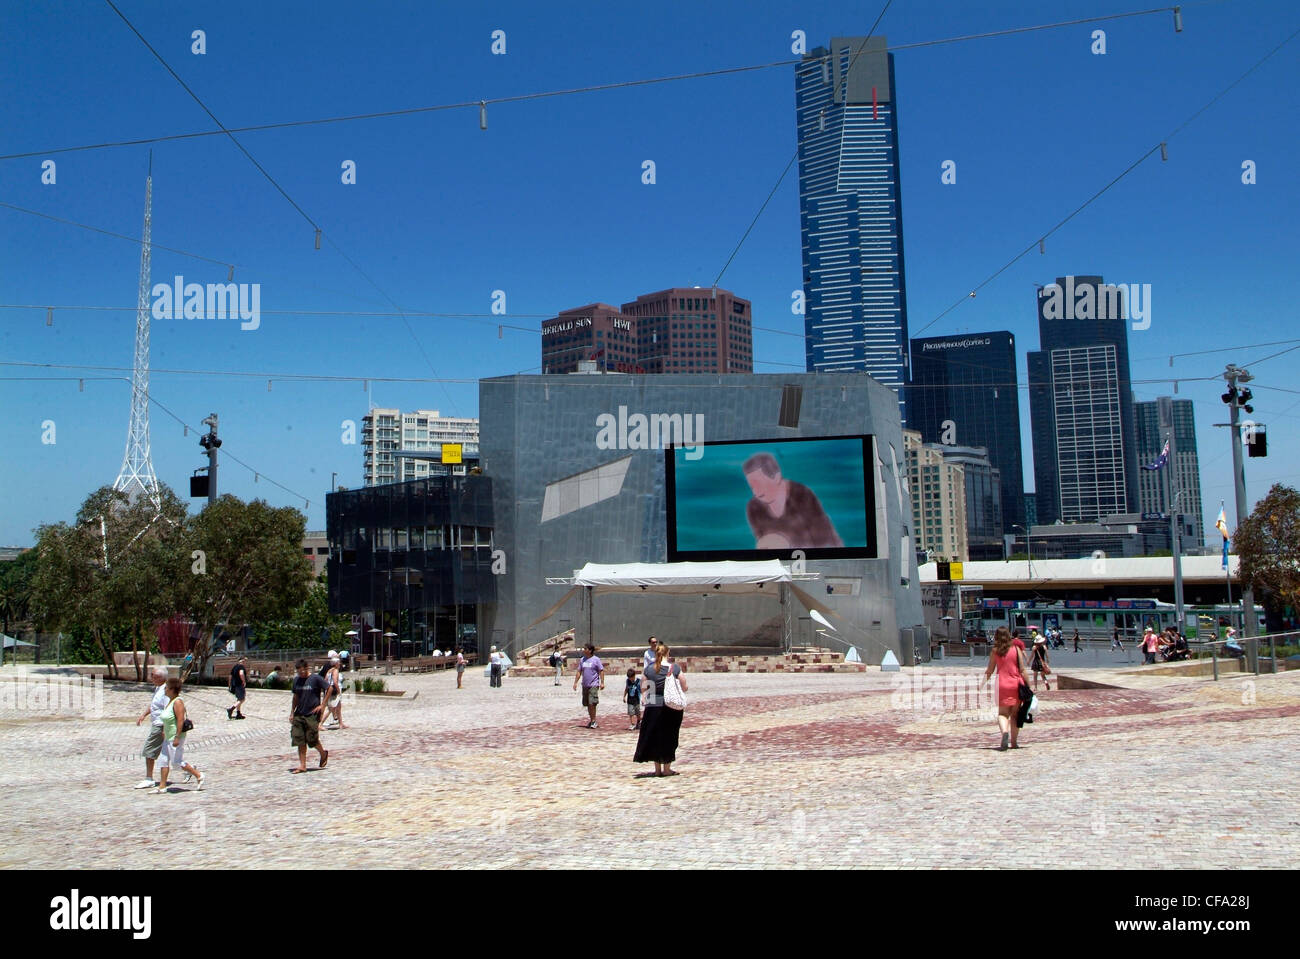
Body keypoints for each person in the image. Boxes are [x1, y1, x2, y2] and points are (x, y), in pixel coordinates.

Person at [741, 452, 843, 549]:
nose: (755, 492)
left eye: (759, 484)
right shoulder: (753, 508)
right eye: (752, 486)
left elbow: (827, 540)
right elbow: (762, 543)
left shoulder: (803, 496)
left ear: (776, 477)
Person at [633, 642, 689, 775]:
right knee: (669, 735)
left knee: (654, 736)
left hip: (653, 705)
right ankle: (667, 769)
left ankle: (657, 769)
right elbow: (684, 686)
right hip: (670, 706)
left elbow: (644, 688)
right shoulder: (674, 668)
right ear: (667, 654)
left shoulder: (649, 669)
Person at [982, 626, 1032, 751]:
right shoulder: (1016, 649)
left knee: (1003, 714)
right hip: (1016, 684)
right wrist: (1029, 685)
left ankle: (1004, 732)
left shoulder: (995, 651)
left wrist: (982, 683)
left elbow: (990, 670)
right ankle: (1014, 743)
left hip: (1002, 685)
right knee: (1015, 715)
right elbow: (1022, 669)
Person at [153, 678, 203, 793]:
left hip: (176, 737)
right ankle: (162, 786)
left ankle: (198, 775)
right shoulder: (170, 701)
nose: (164, 690)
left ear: (171, 689)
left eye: (166, 688)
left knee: (176, 762)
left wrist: (177, 736)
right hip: (168, 736)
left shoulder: (178, 702)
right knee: (164, 760)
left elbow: (180, 720)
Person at [290, 658, 330, 774]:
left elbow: (329, 688)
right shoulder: (296, 680)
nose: (301, 674)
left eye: (302, 671)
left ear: (307, 668)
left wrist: (323, 705)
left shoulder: (315, 678)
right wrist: (292, 712)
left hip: (312, 714)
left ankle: (323, 753)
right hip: (299, 714)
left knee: (312, 739)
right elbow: (295, 697)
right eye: (299, 672)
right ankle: (302, 765)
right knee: (299, 739)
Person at [134, 666, 170, 789]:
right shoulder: (158, 689)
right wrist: (143, 715)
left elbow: (167, 709)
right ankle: (190, 770)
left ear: (160, 677)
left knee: (149, 750)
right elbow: (154, 705)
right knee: (170, 752)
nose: (150, 677)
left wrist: (165, 727)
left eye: (152, 675)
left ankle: (149, 779)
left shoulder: (166, 690)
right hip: (157, 724)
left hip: (160, 725)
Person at [573, 643, 604, 728]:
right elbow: (579, 671)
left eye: (585, 649)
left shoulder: (596, 660)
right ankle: (592, 720)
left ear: (590, 650)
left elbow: (601, 671)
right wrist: (575, 682)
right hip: (585, 685)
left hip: (593, 684)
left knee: (592, 703)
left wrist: (602, 682)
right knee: (587, 703)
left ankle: (594, 721)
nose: (584, 650)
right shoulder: (582, 660)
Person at [321, 652, 347, 730]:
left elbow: (325, 680)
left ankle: (341, 724)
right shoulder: (335, 671)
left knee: (338, 708)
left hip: (329, 690)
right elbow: (335, 682)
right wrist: (338, 691)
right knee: (331, 709)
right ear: (336, 664)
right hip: (335, 691)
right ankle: (320, 723)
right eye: (339, 662)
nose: (340, 664)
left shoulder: (329, 671)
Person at [226, 655, 249, 720]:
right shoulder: (241, 667)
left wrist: (229, 685)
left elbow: (230, 676)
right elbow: (241, 674)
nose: (245, 662)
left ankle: (238, 714)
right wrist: (244, 681)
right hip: (239, 685)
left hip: (234, 685)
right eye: (244, 660)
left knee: (239, 699)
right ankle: (231, 709)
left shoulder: (235, 667)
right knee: (242, 699)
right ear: (241, 660)